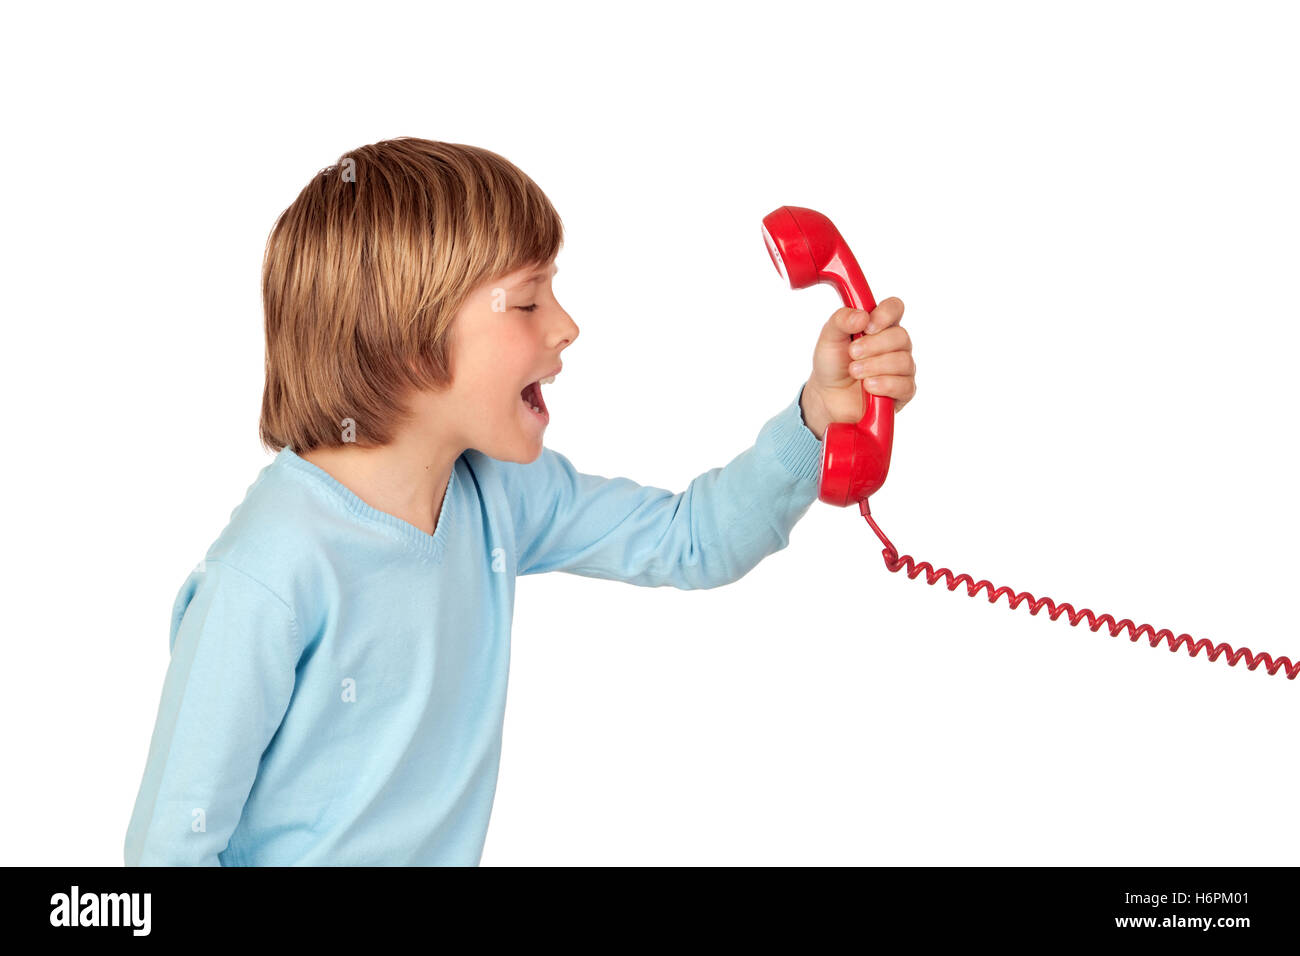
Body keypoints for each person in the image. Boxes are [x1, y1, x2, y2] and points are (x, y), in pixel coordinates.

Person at [123, 137, 917, 865]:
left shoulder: (497, 494)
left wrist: (819, 417)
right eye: (529, 300)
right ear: (407, 338)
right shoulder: (266, 576)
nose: (567, 327)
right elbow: (168, 851)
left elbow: (689, 539)